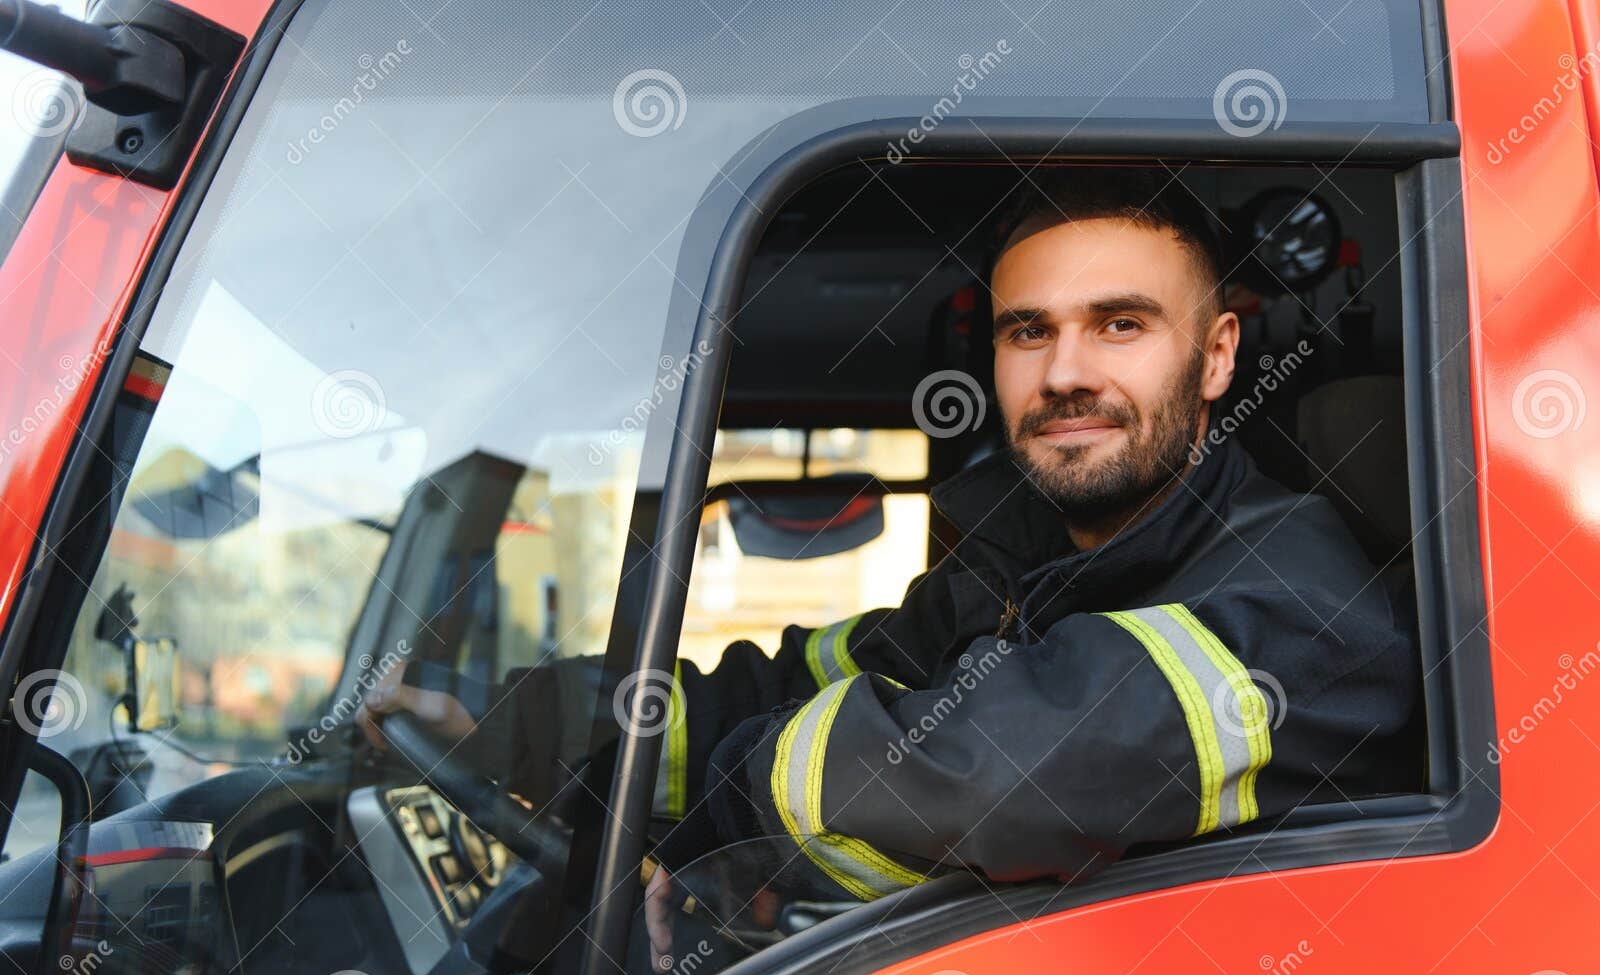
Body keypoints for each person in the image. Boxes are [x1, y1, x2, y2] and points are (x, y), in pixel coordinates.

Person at [356, 169, 1418, 926]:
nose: (1064, 375)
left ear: (1219, 352)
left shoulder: (1299, 605)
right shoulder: (1025, 559)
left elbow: (981, 773)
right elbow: (823, 677)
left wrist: (719, 849)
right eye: (1028, 331)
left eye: (1122, 325)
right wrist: (516, 727)